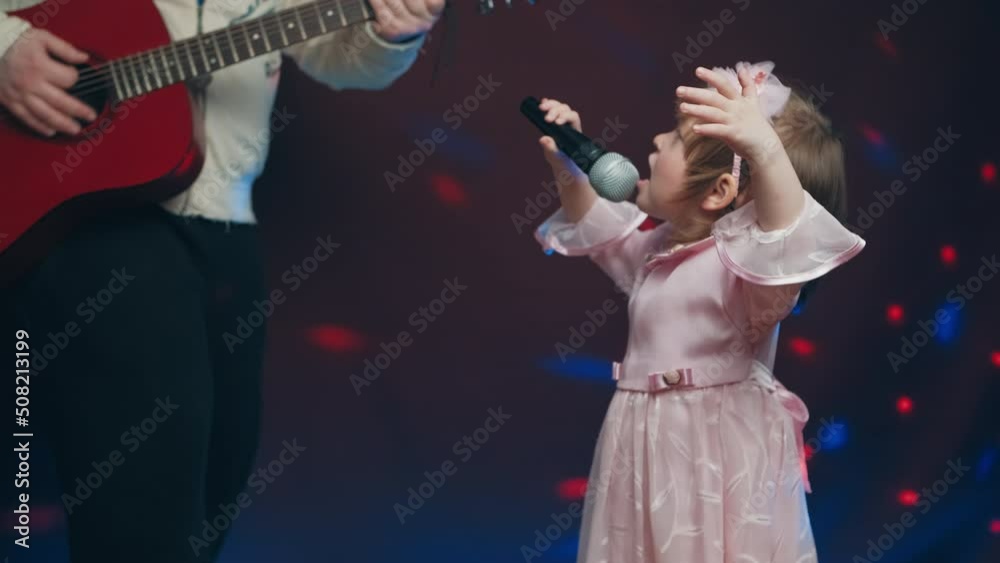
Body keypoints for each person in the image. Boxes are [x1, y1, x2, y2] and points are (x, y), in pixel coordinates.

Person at [0, 1, 443, 561]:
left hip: (228, 219)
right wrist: (4, 46)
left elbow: (340, 58)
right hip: (94, 217)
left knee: (215, 489)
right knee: (145, 511)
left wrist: (393, 33)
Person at [533, 61, 866, 561]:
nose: (656, 140)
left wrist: (763, 147)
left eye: (674, 138)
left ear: (718, 191)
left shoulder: (747, 279)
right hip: (640, 448)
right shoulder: (658, 251)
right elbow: (600, 232)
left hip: (710, 457)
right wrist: (570, 164)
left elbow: (786, 234)